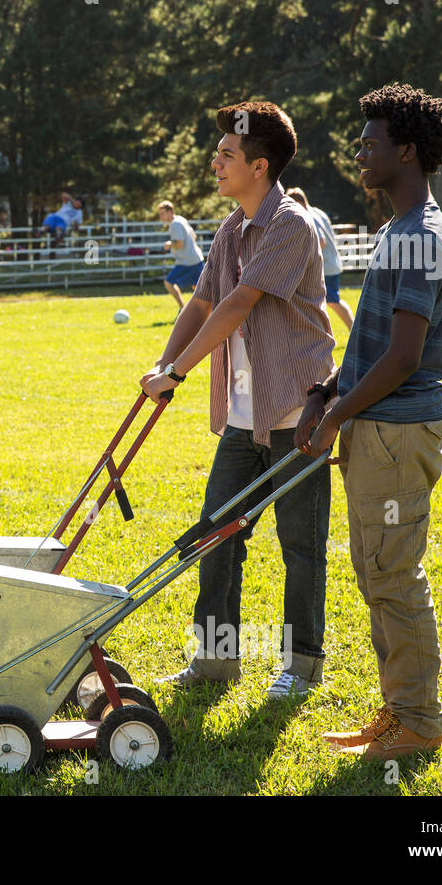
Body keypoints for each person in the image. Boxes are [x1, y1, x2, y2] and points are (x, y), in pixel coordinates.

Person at [139, 101, 334, 698]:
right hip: (243, 419)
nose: (215, 162)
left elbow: (239, 303)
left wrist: (177, 368)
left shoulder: (289, 226)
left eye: (226, 154)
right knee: (216, 536)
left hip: (296, 413)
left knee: (300, 546)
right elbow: (199, 305)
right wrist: (160, 366)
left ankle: (300, 667)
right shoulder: (228, 230)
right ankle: (217, 661)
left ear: (260, 165)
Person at [297, 84, 442, 760]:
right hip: (374, 425)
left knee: (393, 572)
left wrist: (336, 414)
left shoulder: (420, 235)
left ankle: (419, 720)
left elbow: (402, 356)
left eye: (369, 143)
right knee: (375, 570)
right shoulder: (398, 229)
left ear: (408, 150)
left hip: (394, 430)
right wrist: (328, 387)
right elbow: (369, 341)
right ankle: (400, 708)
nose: (359, 152)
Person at [286, 187, 354, 330]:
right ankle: (347, 330)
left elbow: (321, 242)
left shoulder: (305, 215)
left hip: (326, 266)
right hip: (332, 262)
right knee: (328, 301)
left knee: (332, 301)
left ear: (296, 202)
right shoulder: (317, 212)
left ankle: (353, 329)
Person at [158, 200, 204, 313]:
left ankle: (182, 309)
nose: (161, 216)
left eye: (163, 213)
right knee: (201, 289)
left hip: (188, 262)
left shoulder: (175, 224)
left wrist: (169, 244)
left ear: (170, 212)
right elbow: (194, 236)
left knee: (168, 282)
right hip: (196, 259)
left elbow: (179, 244)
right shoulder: (181, 219)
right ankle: (203, 312)